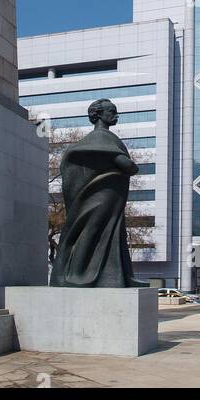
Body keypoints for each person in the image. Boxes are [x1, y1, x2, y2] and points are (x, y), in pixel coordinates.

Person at [50, 98, 147, 288]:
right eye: (111, 112)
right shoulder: (104, 138)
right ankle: (80, 274)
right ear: (98, 114)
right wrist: (131, 167)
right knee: (96, 232)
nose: (116, 115)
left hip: (101, 198)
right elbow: (126, 165)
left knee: (100, 233)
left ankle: (109, 275)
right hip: (105, 197)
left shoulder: (86, 142)